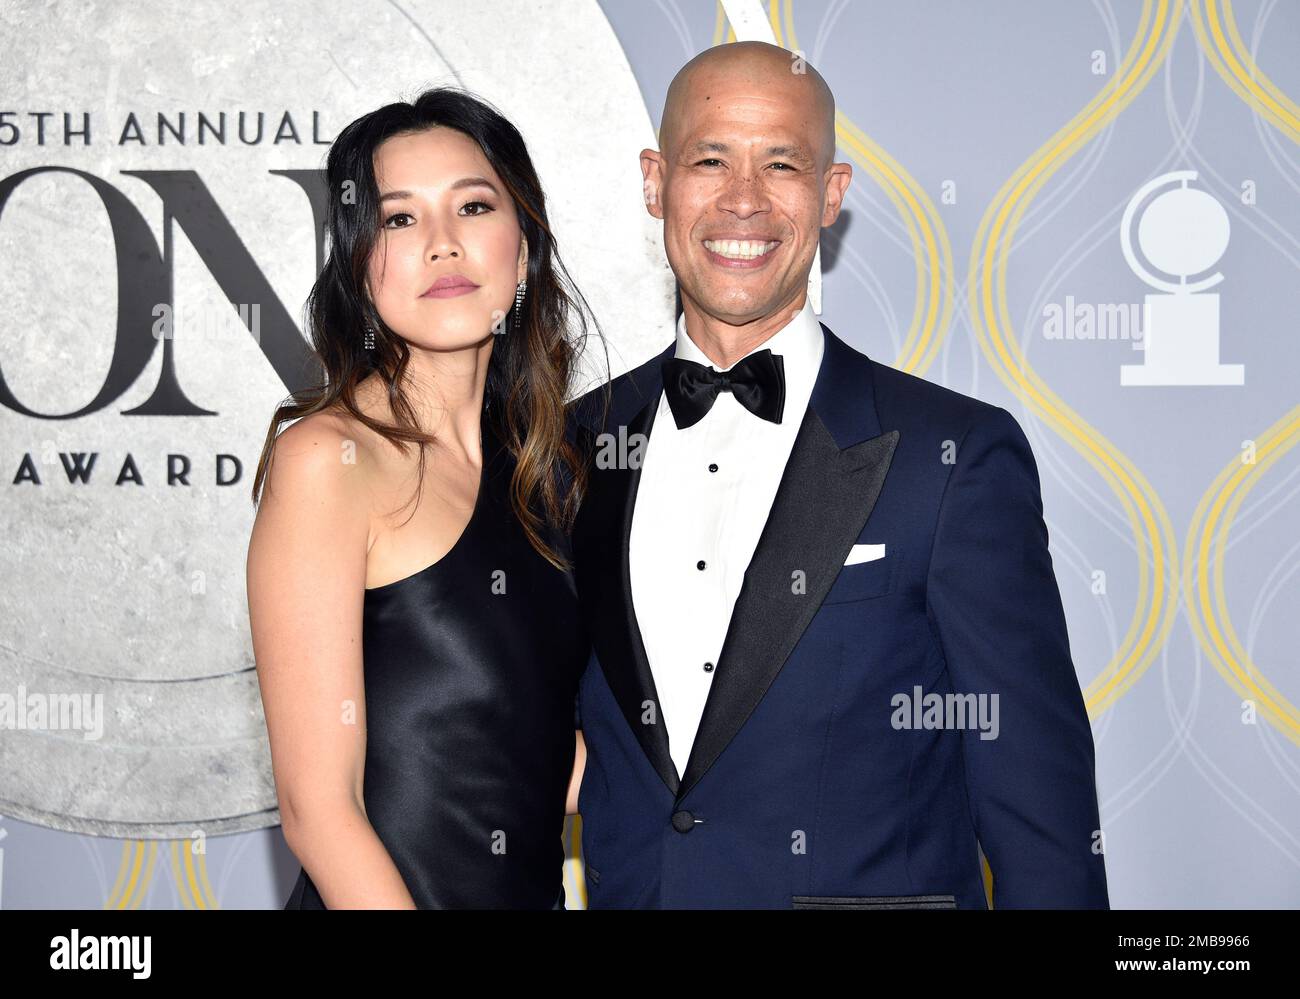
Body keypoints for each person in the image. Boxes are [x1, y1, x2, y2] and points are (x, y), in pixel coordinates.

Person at [567, 42, 1110, 909]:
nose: (743, 198)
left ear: (830, 194)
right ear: (653, 182)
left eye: (781, 163)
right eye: (710, 159)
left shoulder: (953, 456)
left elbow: (1039, 810)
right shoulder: (567, 449)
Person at [246, 87, 599, 909]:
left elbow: (536, 755)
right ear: (361, 262)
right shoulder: (327, 462)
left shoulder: (549, 475)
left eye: (474, 206)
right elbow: (317, 811)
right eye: (399, 219)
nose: (443, 245)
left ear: (523, 246)